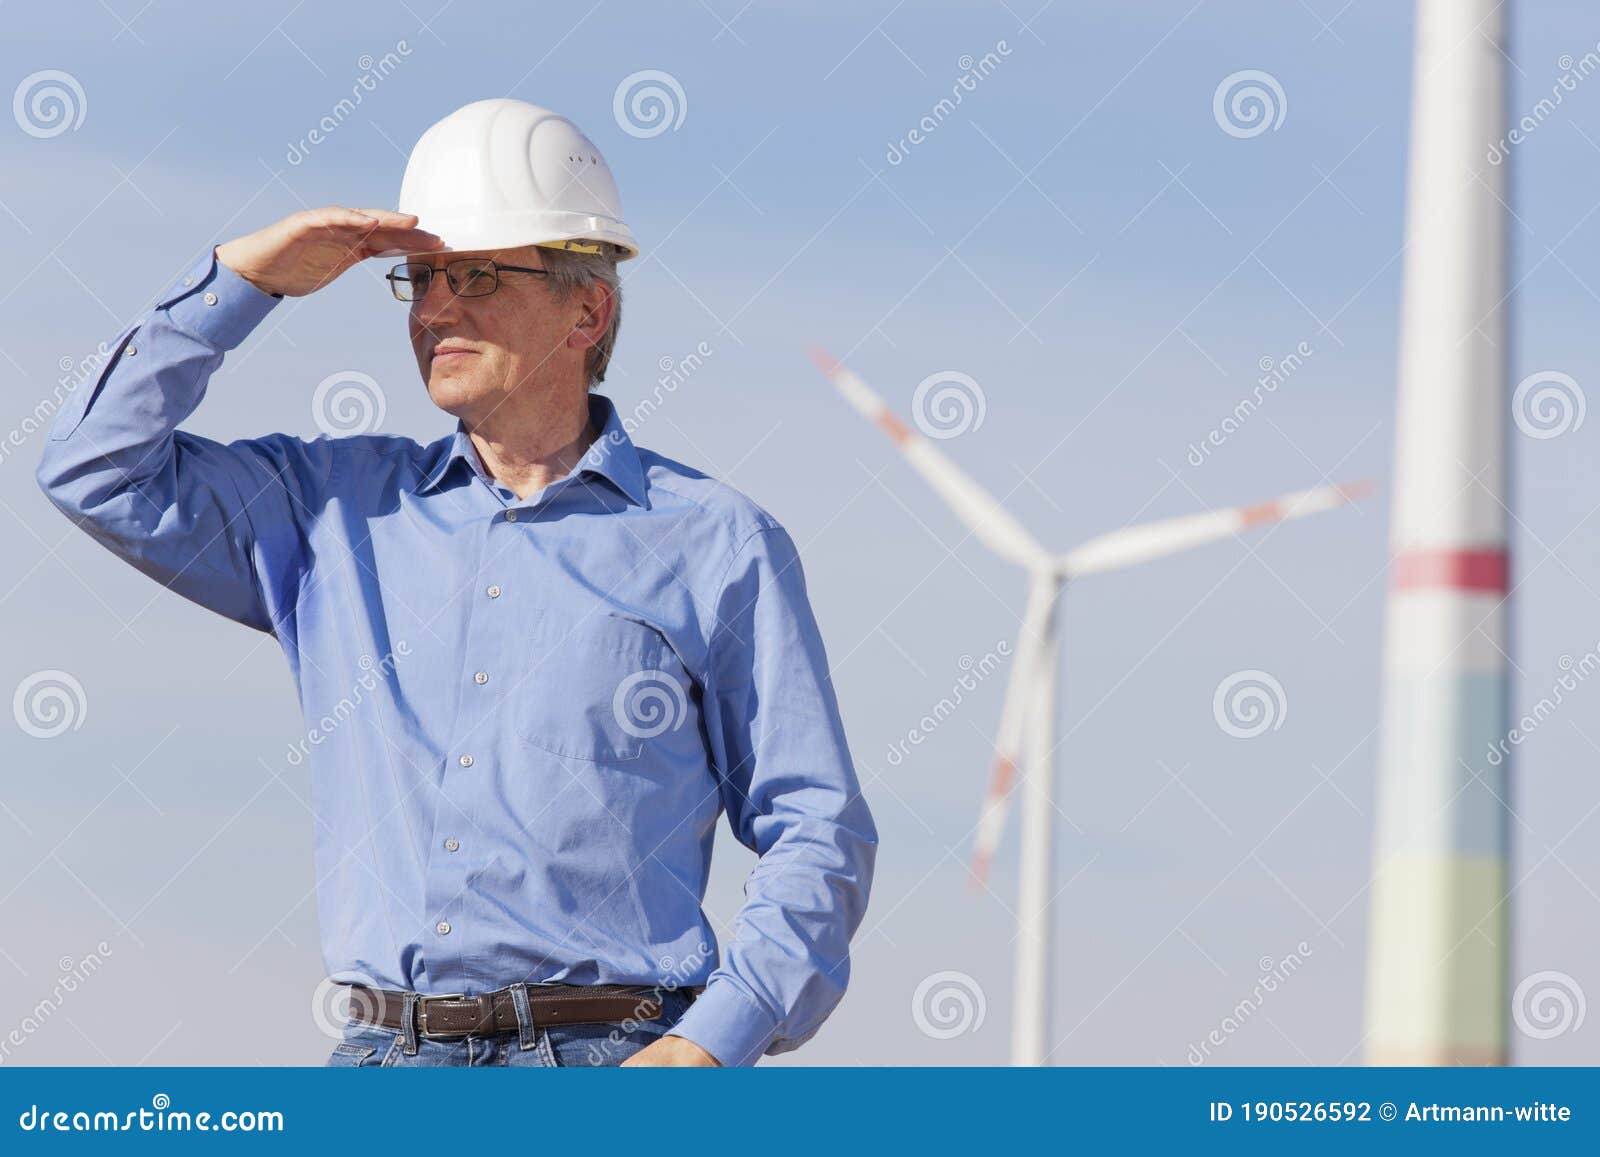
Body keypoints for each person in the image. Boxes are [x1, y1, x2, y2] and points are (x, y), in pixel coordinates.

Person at [34, 99, 877, 1068]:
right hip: (380, 1064)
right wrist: (242, 280)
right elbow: (93, 466)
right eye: (421, 277)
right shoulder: (330, 512)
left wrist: (707, 1044)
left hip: (611, 1059)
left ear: (587, 309)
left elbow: (817, 827)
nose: (434, 309)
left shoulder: (717, 543)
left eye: (476, 275)